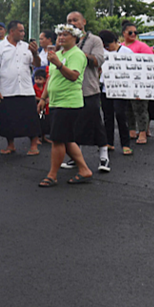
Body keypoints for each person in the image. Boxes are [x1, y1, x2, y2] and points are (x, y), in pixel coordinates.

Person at [37, 25, 93, 187]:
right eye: (59, 35)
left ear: (75, 37)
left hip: (68, 103)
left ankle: (52, 175)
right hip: (56, 102)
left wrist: (59, 64)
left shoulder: (76, 54)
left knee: (58, 140)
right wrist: (43, 98)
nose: (61, 37)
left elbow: (74, 76)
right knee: (66, 139)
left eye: (66, 35)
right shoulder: (58, 54)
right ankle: (84, 170)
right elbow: (50, 78)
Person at [60, 12, 110, 173]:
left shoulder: (94, 40)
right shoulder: (66, 40)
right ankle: (76, 158)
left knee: (96, 124)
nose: (72, 23)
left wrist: (77, 52)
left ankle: (104, 157)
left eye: (75, 20)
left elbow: (98, 60)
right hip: (71, 90)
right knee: (73, 125)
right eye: (69, 21)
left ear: (84, 22)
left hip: (89, 89)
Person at [0, 20, 42, 155]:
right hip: (7, 89)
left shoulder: (26, 47)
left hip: (25, 89)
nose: (23, 33)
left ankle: (34, 145)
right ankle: (10, 145)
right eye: (21, 31)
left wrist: (35, 53)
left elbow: (36, 64)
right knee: (8, 119)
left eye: (24, 31)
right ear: (12, 31)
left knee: (31, 118)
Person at [99, 30, 133, 155]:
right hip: (105, 88)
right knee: (107, 116)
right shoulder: (102, 53)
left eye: (108, 45)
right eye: (104, 46)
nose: (107, 48)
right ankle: (109, 142)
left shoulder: (127, 52)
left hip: (121, 89)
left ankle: (126, 144)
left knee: (121, 115)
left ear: (115, 41)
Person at [121, 22, 154, 144]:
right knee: (128, 108)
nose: (133, 34)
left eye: (136, 32)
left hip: (140, 82)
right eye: (130, 32)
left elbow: (150, 63)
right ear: (124, 33)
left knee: (140, 108)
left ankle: (143, 132)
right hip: (125, 82)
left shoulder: (142, 46)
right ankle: (132, 130)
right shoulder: (121, 46)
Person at [33, 68, 50, 143]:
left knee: (45, 122)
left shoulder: (47, 88)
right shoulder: (34, 87)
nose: (38, 81)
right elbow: (33, 96)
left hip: (45, 109)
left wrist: (48, 98)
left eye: (40, 79)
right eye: (36, 79)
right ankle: (36, 138)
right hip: (37, 108)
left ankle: (43, 137)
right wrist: (41, 99)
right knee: (37, 122)